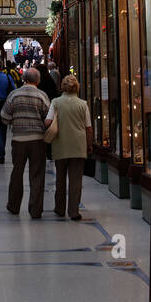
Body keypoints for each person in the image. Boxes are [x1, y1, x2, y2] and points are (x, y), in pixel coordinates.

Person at [1, 67, 50, 219]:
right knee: (37, 175)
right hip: (37, 140)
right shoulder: (42, 96)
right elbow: (49, 118)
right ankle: (35, 210)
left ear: (24, 79)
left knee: (17, 172)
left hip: (19, 140)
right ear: (38, 80)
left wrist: (13, 121)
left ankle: (14, 206)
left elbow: (4, 116)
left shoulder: (14, 95)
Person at [44, 74, 93, 220]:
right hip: (78, 145)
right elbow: (88, 128)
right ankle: (73, 211)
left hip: (60, 144)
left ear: (62, 87)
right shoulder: (83, 104)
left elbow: (48, 122)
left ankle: (59, 208)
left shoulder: (56, 102)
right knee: (76, 180)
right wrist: (89, 145)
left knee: (60, 178)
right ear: (76, 87)